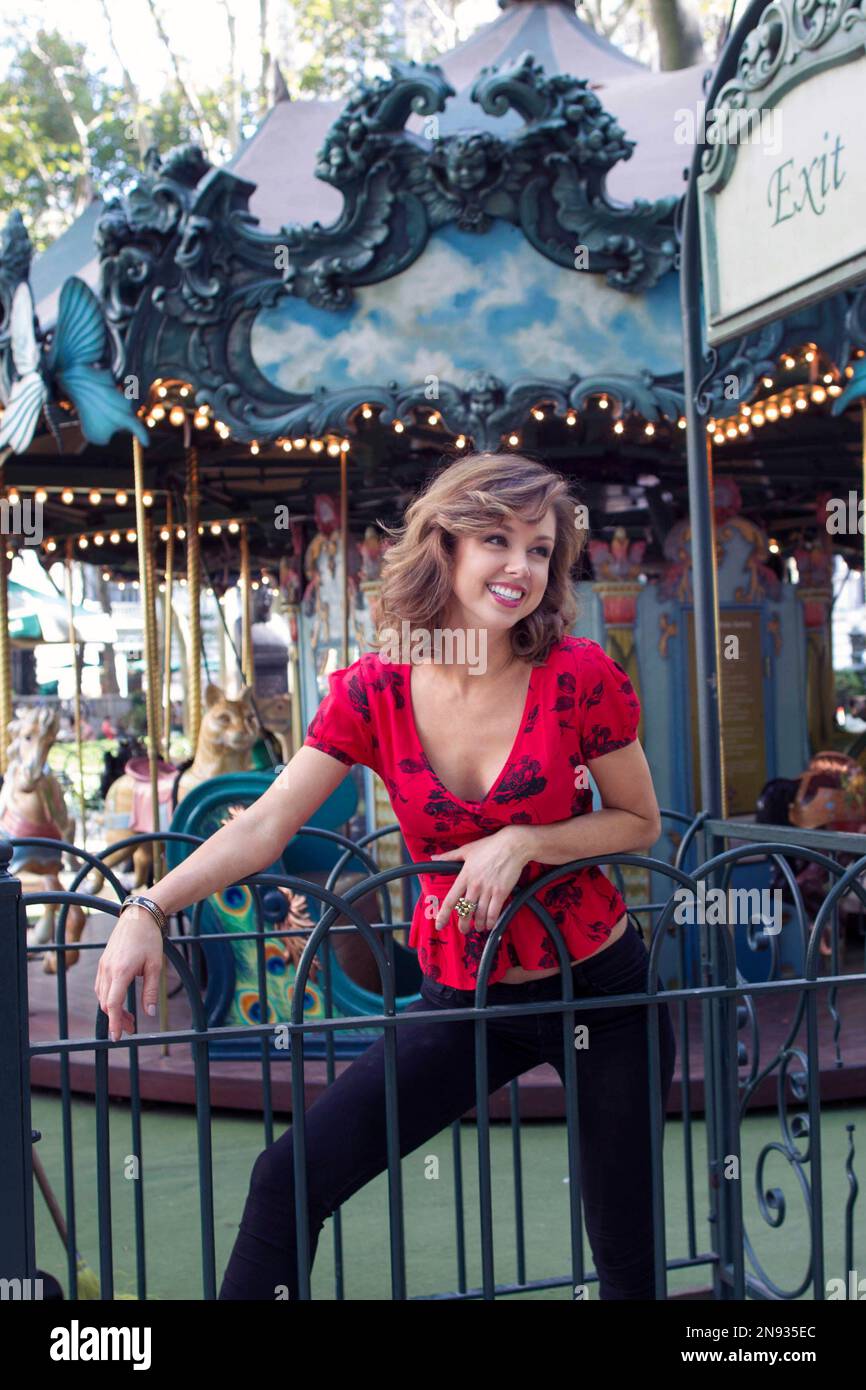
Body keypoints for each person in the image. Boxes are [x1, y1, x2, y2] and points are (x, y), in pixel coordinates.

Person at [94, 451, 676, 1301]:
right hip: (466, 994)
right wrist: (148, 904)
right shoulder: (379, 689)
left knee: (625, 1250)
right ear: (444, 542)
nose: (521, 566)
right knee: (288, 1179)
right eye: (496, 539)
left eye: (541, 550)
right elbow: (263, 825)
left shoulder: (578, 675)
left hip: (600, 991)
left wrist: (524, 839)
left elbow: (640, 821)